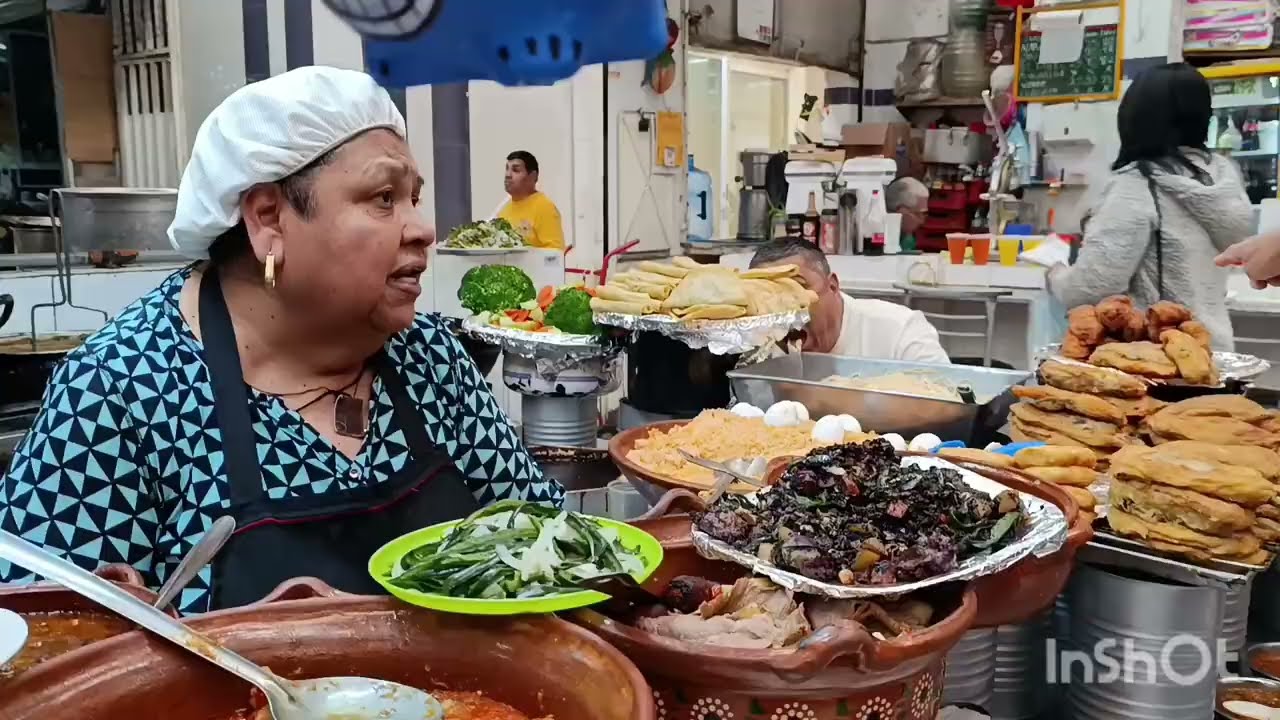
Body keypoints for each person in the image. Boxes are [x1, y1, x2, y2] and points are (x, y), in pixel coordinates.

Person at [0, 67, 562, 613]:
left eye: (413, 198)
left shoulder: (429, 358)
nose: (422, 228)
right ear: (269, 219)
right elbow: (43, 646)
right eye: (384, 198)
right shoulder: (122, 389)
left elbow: (552, 545)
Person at [1031, 63, 1252, 350]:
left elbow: (1090, 287)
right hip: (1210, 351)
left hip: (1154, 359)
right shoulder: (1222, 180)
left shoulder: (1138, 185)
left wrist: (1055, 274)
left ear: (1133, 119)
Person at [748, 239, 950, 363]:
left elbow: (948, 401)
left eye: (798, 288)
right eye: (768, 295)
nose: (783, 308)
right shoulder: (752, 345)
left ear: (833, 285)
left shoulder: (900, 331)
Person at [498, 150, 564, 249]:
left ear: (533, 176)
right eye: (507, 169)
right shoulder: (504, 211)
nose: (508, 175)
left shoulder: (544, 206)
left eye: (516, 170)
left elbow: (555, 253)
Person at [884, 177, 930, 251]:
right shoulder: (880, 240)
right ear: (901, 212)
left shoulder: (908, 238)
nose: (922, 222)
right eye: (919, 214)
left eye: (925, 214)